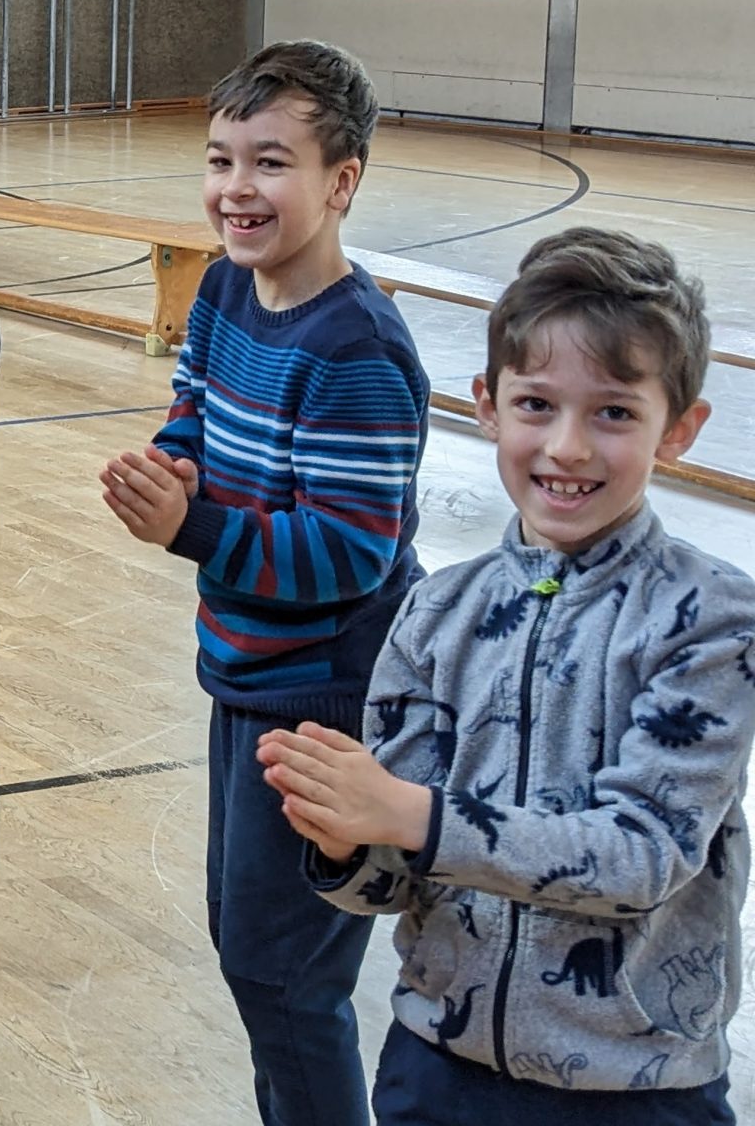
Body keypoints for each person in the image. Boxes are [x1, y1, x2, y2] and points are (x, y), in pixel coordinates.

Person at [260, 229, 753, 1125]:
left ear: (679, 429)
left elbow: (643, 854)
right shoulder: (436, 610)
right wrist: (342, 838)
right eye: (535, 405)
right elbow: (392, 883)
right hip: (436, 1066)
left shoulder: (711, 618)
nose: (566, 448)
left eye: (612, 413)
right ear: (487, 405)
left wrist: (408, 814)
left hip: (635, 1086)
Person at [99, 39, 430, 1126]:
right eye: (219, 159)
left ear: (340, 181)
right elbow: (190, 406)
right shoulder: (222, 291)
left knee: (285, 977)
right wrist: (172, 460)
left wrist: (186, 523)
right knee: (249, 950)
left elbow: (347, 553)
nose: (235, 189)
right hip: (245, 672)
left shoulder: (358, 352)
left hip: (321, 695)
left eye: (269, 163)